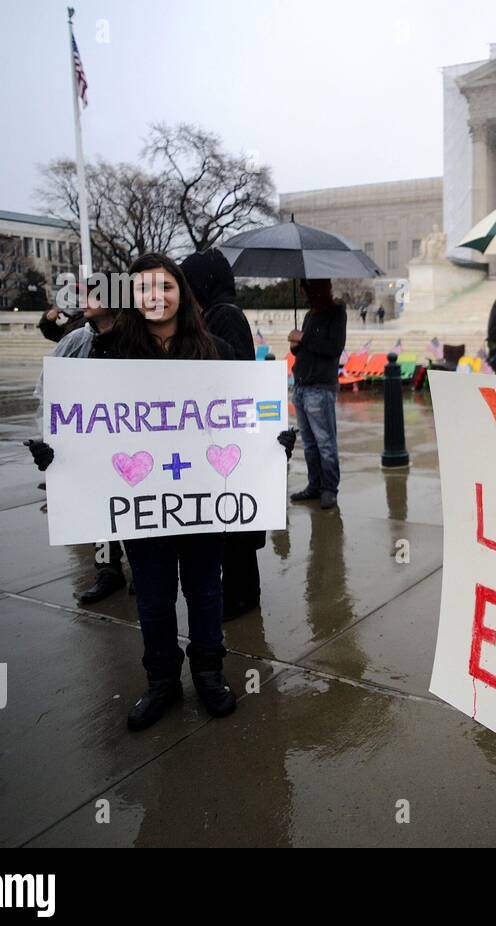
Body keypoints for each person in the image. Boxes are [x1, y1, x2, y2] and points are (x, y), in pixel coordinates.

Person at [25, 252, 297, 731]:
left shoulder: (216, 350)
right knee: (152, 598)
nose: (157, 296)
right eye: (146, 287)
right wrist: (60, 455)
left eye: (166, 286)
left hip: (202, 496)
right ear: (133, 296)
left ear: (181, 293)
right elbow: (88, 424)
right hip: (143, 500)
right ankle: (162, 683)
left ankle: (210, 673)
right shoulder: (109, 354)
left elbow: (244, 417)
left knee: (205, 593)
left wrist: (273, 445)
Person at [180, 248, 266, 622]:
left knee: (234, 530)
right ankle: (240, 593)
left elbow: (230, 372)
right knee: (232, 527)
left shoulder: (224, 316)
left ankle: (242, 596)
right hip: (227, 433)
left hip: (229, 433)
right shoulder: (221, 313)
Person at [32, 273, 128, 605]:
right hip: (91, 438)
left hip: (130, 440)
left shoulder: (136, 338)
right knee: (99, 509)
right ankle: (107, 570)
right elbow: (52, 389)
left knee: (133, 503)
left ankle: (142, 571)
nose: (84, 301)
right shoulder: (76, 337)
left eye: (93, 295)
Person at [289, 278, 346, 510]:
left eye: (305, 289)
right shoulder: (310, 314)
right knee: (310, 444)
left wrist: (303, 338)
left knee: (325, 443)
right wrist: (296, 346)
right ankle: (314, 485)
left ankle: (329, 489)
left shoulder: (336, 313)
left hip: (320, 388)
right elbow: (308, 347)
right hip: (301, 385)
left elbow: (333, 347)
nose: (303, 293)